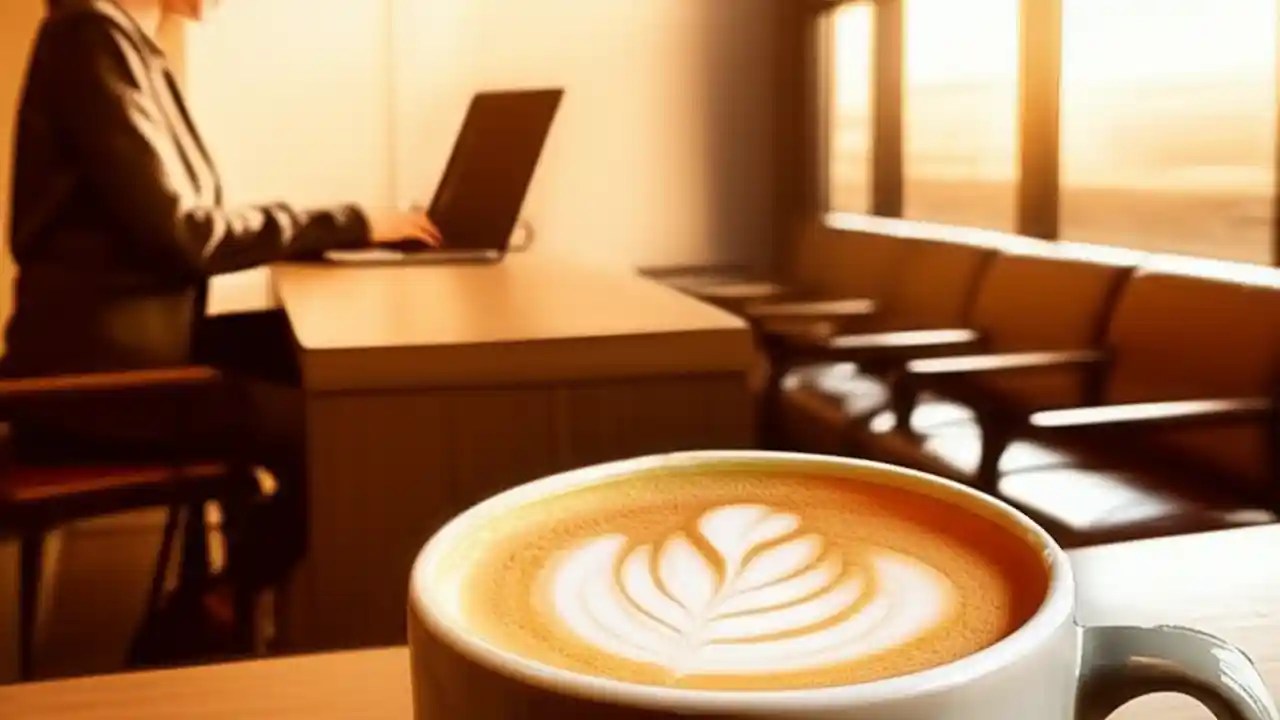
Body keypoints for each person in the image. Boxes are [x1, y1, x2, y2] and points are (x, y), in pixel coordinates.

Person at [3, 0, 439, 640]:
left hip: (133, 353)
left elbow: (179, 222)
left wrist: (352, 228)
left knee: (325, 373)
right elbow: (182, 233)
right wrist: (352, 222)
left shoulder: (118, 43)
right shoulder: (88, 37)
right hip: (96, 385)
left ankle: (243, 593)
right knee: (337, 426)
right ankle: (219, 604)